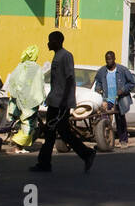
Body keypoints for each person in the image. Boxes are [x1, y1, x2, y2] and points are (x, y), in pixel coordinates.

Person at [32, 30, 95, 173]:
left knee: (52, 131)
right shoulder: (57, 56)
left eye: (50, 40)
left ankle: (45, 163)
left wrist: (64, 102)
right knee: (60, 132)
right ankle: (86, 154)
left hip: (61, 103)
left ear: (58, 41)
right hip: (55, 101)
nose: (48, 43)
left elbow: (69, 79)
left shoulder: (65, 56)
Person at [3, 45, 46, 149]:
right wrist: (42, 97)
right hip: (31, 101)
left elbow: (12, 81)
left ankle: (18, 143)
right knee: (28, 124)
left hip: (18, 100)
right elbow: (39, 85)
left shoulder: (19, 66)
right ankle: (19, 145)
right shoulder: (36, 68)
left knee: (20, 122)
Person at [93, 50, 135, 149]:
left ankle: (123, 140)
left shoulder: (123, 70)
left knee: (120, 119)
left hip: (119, 99)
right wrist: (98, 89)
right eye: (106, 59)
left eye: (110, 59)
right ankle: (104, 140)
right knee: (103, 119)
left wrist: (123, 90)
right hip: (107, 99)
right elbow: (98, 83)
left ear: (114, 59)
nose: (108, 61)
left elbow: (132, 83)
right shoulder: (102, 71)